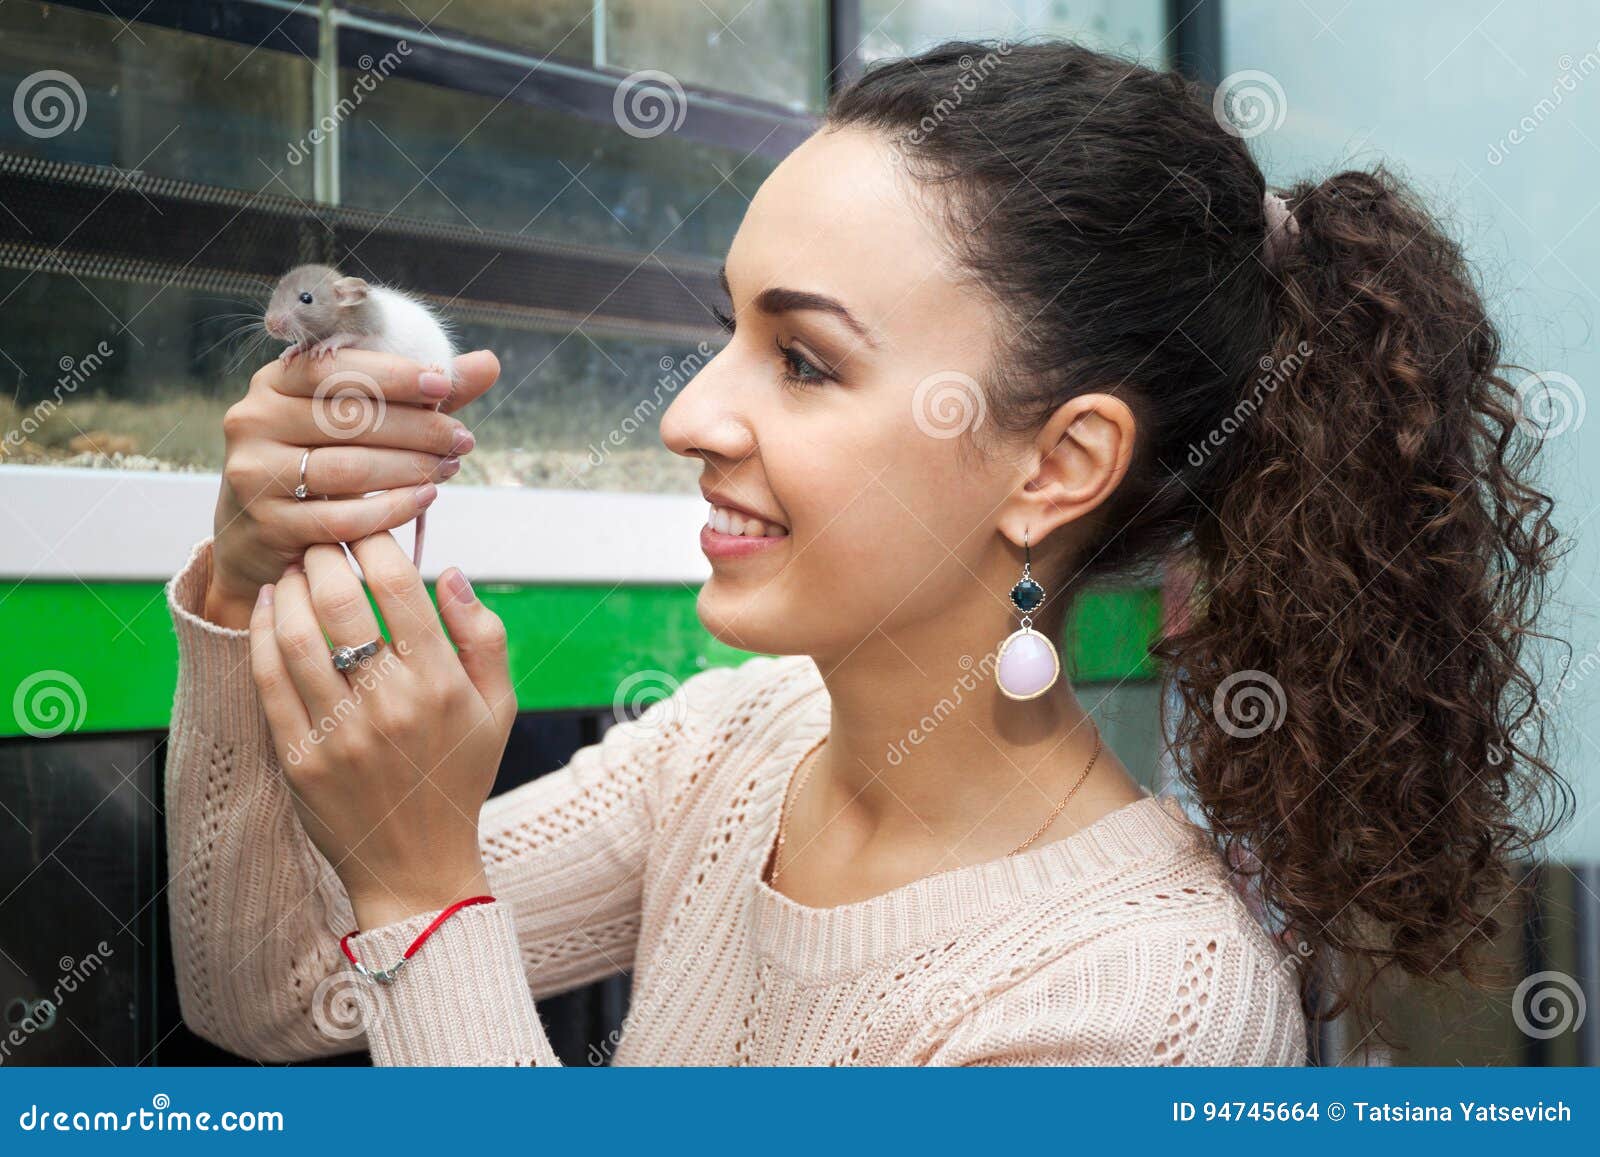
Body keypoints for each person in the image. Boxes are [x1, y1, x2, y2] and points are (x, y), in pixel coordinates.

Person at [163, 40, 1568, 1066]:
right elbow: (277, 985)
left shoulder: (1148, 1004)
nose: (690, 413)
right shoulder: (731, 748)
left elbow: (403, 937)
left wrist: (422, 888)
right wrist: (243, 583)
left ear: (1057, 464)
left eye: (806, 361)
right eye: (728, 332)